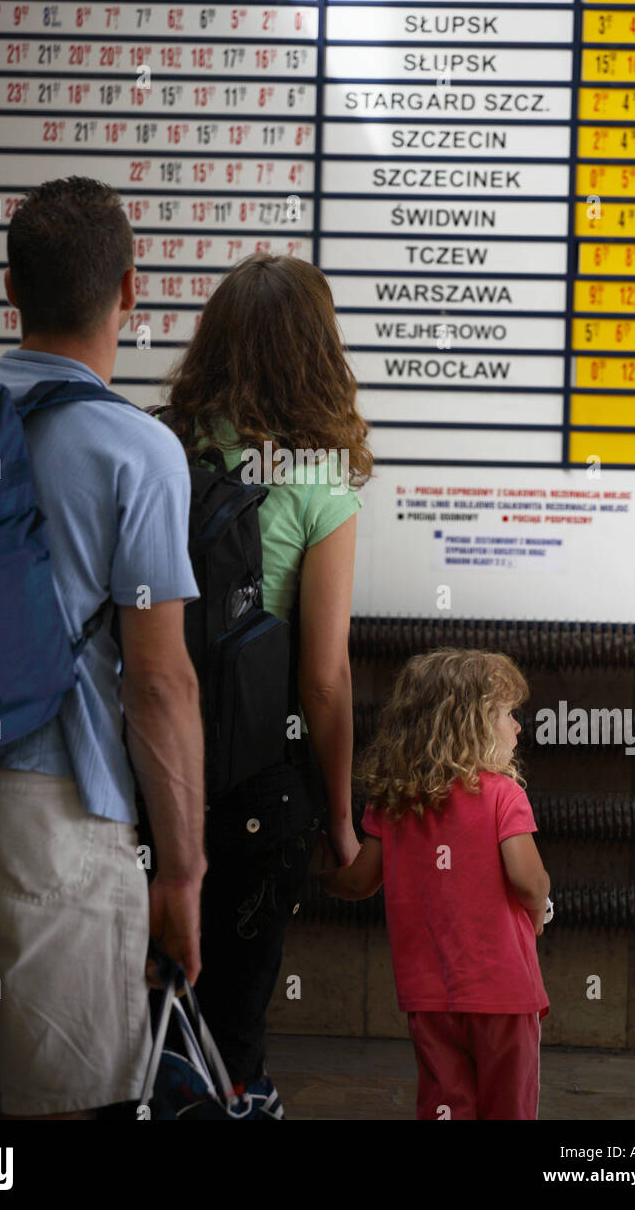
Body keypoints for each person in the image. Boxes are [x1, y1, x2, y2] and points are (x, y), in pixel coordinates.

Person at [0, 176, 206, 1119]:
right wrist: (181, 873)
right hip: (60, 816)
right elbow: (160, 684)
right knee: (69, 1105)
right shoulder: (136, 451)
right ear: (130, 292)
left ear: (9, 289)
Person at [159, 252, 373, 1110]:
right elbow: (322, 682)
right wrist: (343, 824)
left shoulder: (160, 447)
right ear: (318, 352)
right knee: (232, 1029)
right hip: (260, 785)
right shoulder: (323, 484)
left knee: (143, 1011)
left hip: (144, 769)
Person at [320, 647, 550, 1121]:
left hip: (431, 997)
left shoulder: (394, 802)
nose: (517, 728)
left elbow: (360, 882)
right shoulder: (504, 796)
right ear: (472, 725)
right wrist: (538, 910)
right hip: (503, 994)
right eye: (507, 715)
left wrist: (319, 879)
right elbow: (528, 881)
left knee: (446, 1103)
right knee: (508, 1106)